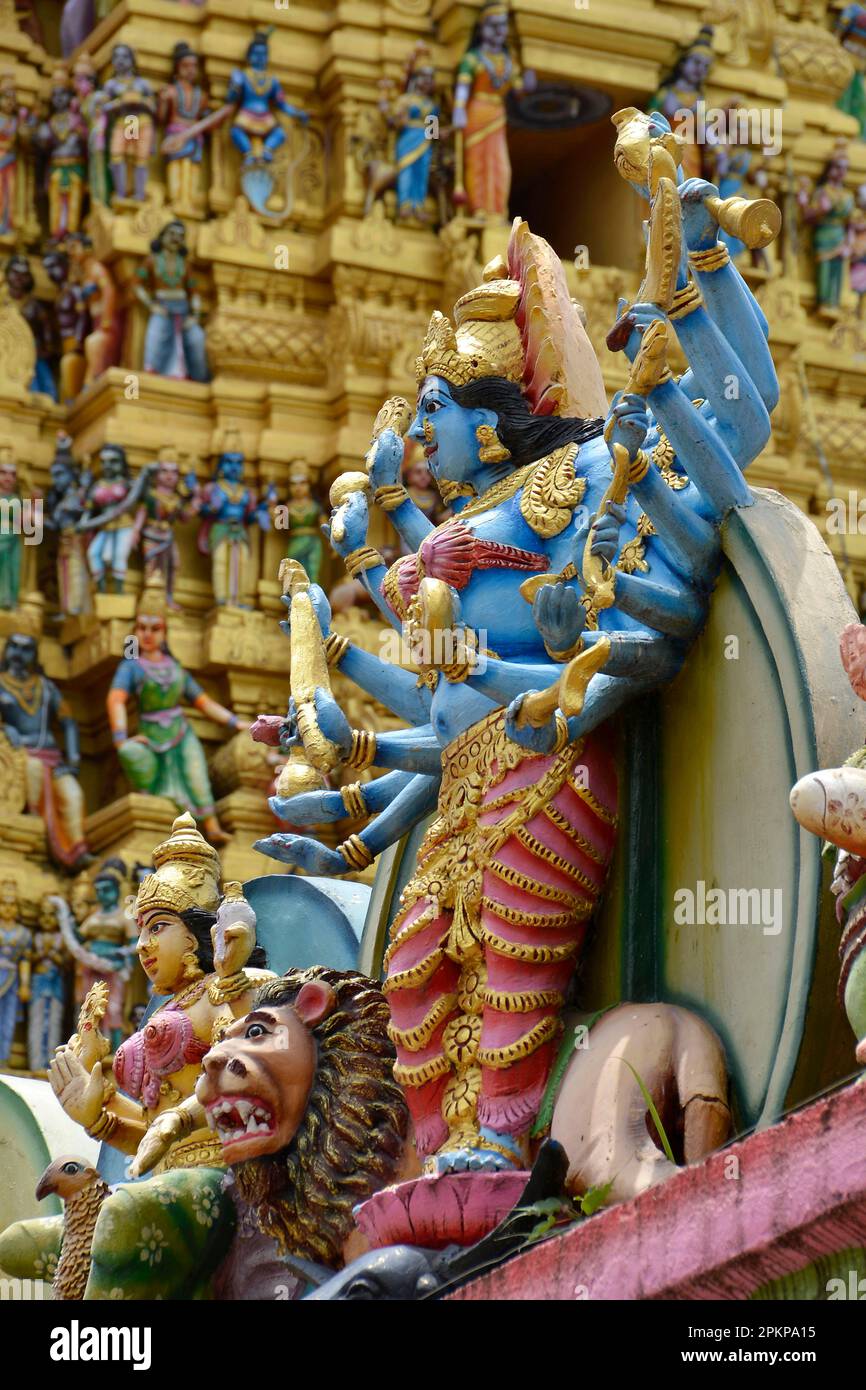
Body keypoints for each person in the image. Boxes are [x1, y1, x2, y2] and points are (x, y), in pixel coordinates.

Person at [107, 596, 246, 844]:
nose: (148, 634)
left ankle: (212, 826)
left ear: (165, 633)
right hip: (150, 736)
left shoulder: (174, 667)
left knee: (196, 773)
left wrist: (235, 723)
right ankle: (164, 813)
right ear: (134, 631)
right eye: (142, 628)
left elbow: (202, 702)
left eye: (155, 628)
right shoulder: (131, 666)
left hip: (180, 732)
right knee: (130, 753)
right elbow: (115, 700)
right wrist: (120, 739)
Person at [0, 631, 91, 871]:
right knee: (32, 771)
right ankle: (32, 822)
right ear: (6, 650)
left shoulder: (46, 687)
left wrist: (73, 758)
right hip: (21, 757)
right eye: (14, 647)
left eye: (26, 649)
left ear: (35, 655)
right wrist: (4, 727)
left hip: (52, 757)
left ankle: (77, 848)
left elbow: (68, 721)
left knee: (73, 795)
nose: (19, 655)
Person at [134, 219, 209, 381]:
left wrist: (195, 316)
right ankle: (153, 373)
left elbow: (194, 293)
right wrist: (151, 305)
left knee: (196, 338)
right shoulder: (151, 261)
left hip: (183, 309)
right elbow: (137, 286)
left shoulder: (185, 265)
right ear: (162, 237)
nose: (176, 239)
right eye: (172, 234)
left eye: (180, 236)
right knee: (155, 337)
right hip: (162, 308)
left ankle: (194, 377)